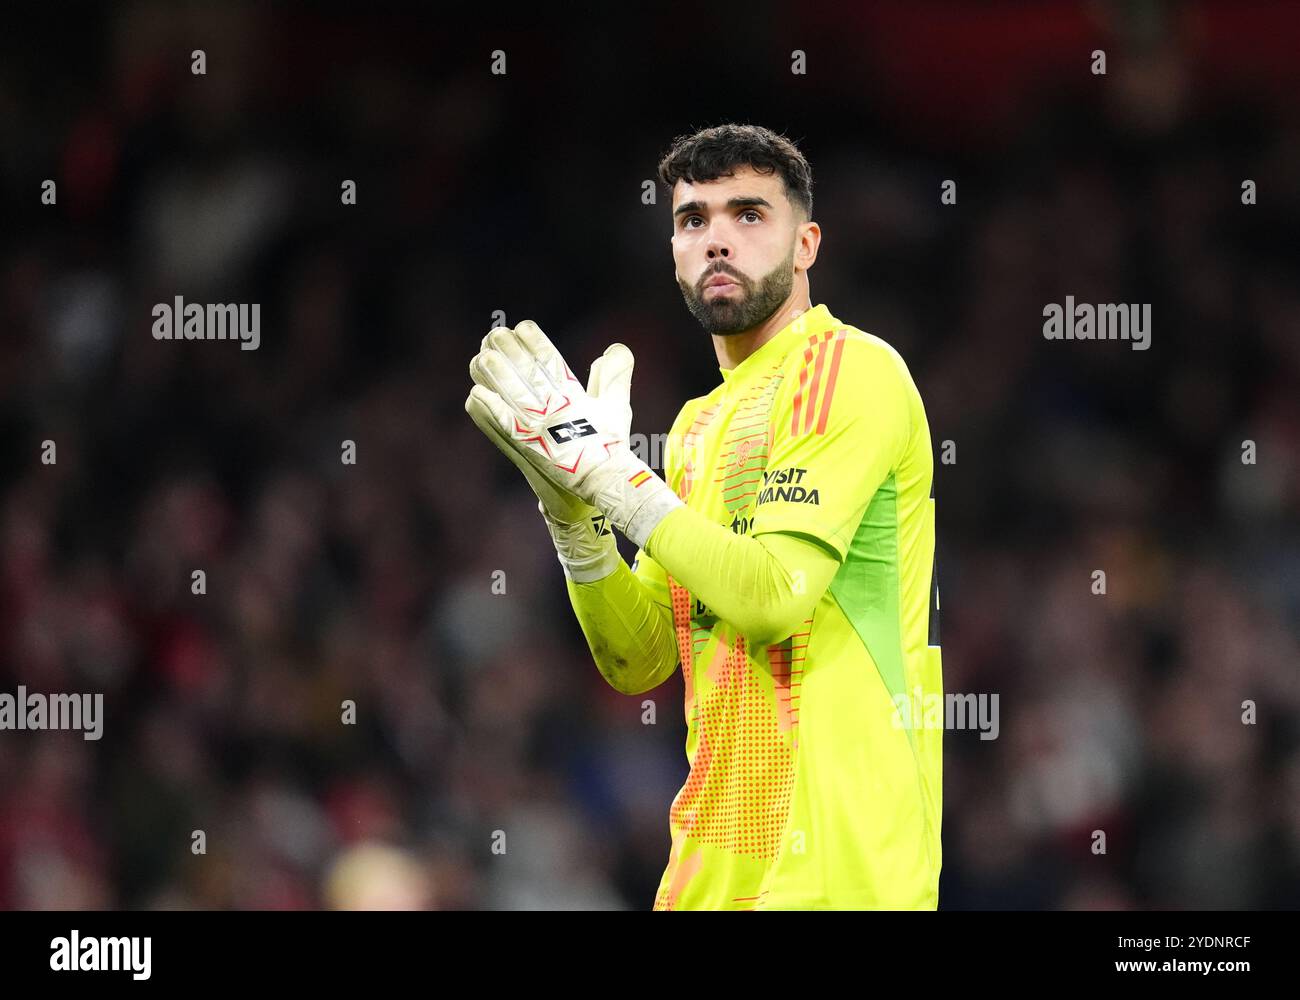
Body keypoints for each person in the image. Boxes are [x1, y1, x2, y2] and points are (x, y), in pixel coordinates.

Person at [466, 124, 942, 910]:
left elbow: (773, 593)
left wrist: (610, 473)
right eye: (694, 220)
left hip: (837, 874)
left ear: (806, 244)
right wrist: (575, 516)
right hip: (711, 876)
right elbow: (640, 658)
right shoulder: (693, 427)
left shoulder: (849, 370)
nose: (718, 239)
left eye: (749, 215)